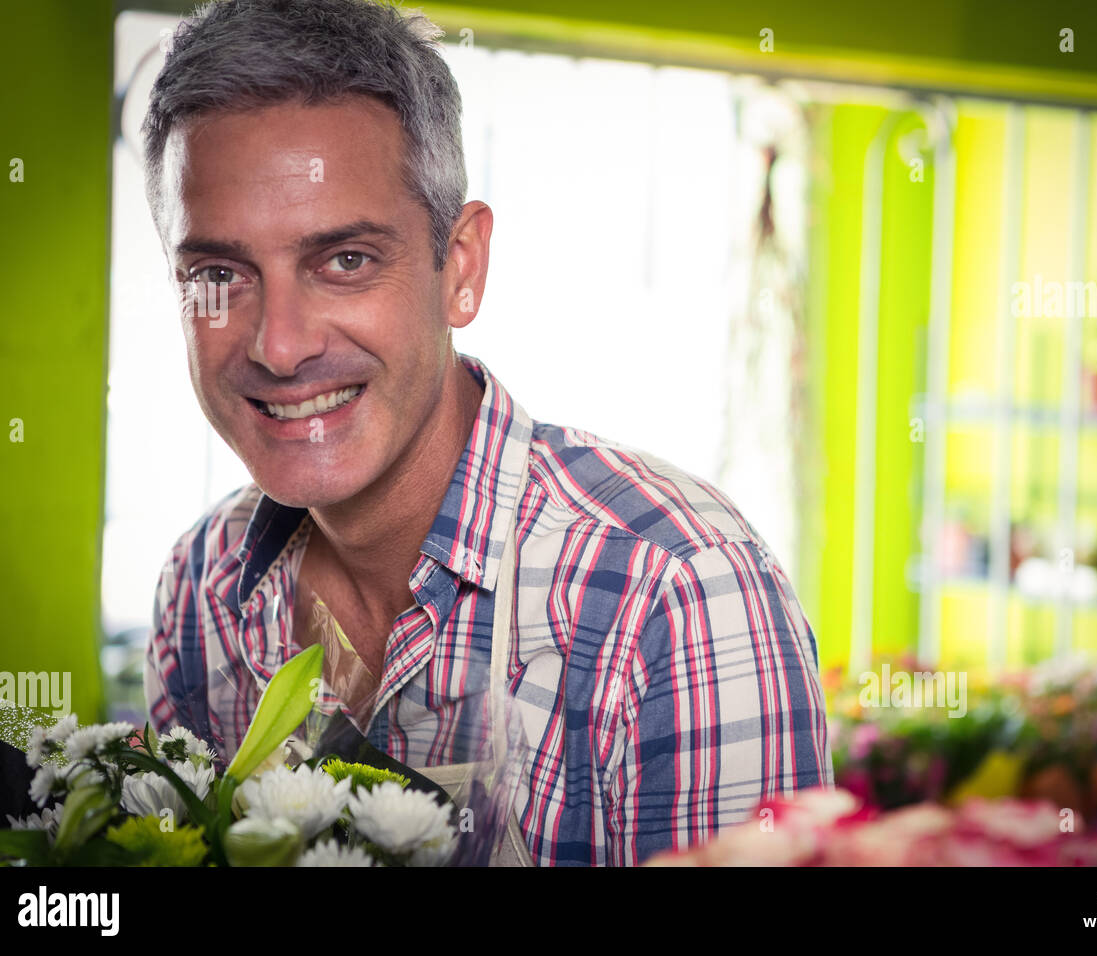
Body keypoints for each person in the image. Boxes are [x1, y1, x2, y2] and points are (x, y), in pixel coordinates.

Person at [141, 0, 832, 866]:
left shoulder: (677, 593)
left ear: (460, 268)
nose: (281, 346)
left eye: (345, 261)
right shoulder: (201, 587)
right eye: (219, 274)